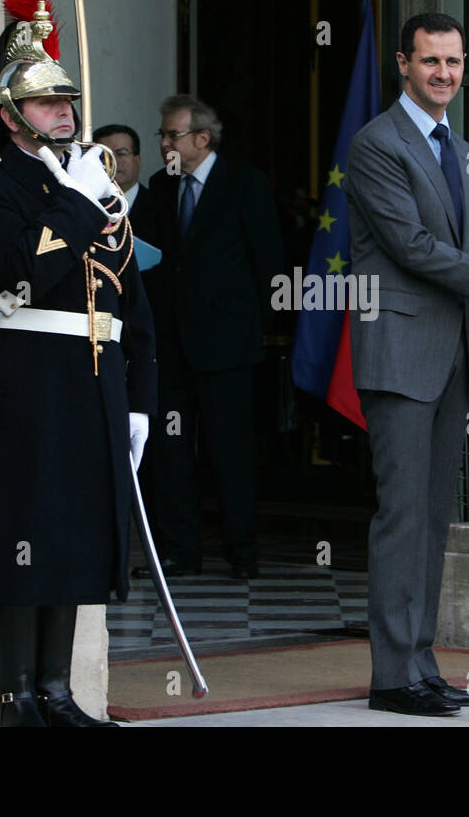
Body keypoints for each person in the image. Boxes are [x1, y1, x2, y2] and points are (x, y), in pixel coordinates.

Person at [0, 0, 156, 726]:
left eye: (67, 101)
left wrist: (139, 400)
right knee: (23, 535)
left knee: (72, 535)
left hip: (94, 378)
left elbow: (133, 305)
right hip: (28, 379)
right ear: (9, 115)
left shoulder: (93, 183)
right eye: (45, 103)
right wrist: (75, 197)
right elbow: (24, 267)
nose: (64, 112)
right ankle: (17, 696)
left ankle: (59, 690)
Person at [345, 12, 469, 717]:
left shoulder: (456, 147)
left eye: (454, 62)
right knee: (402, 516)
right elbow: (414, 247)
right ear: (404, 63)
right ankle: (391, 676)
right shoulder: (377, 144)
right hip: (398, 357)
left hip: (449, 362)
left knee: (435, 518)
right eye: (429, 61)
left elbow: (456, 256)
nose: (443, 74)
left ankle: (420, 660)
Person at [130, 94, 283, 580]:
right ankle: (178, 551)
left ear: (202, 138)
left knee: (229, 451)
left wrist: (260, 329)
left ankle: (243, 552)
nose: (163, 143)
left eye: (172, 134)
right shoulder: (160, 186)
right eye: (161, 135)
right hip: (171, 348)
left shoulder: (245, 184)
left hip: (227, 348)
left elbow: (269, 264)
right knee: (172, 453)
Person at [93, 123, 150, 214]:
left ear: (137, 160)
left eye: (121, 154)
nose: (113, 162)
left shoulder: (161, 205)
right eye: (104, 156)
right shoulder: (87, 206)